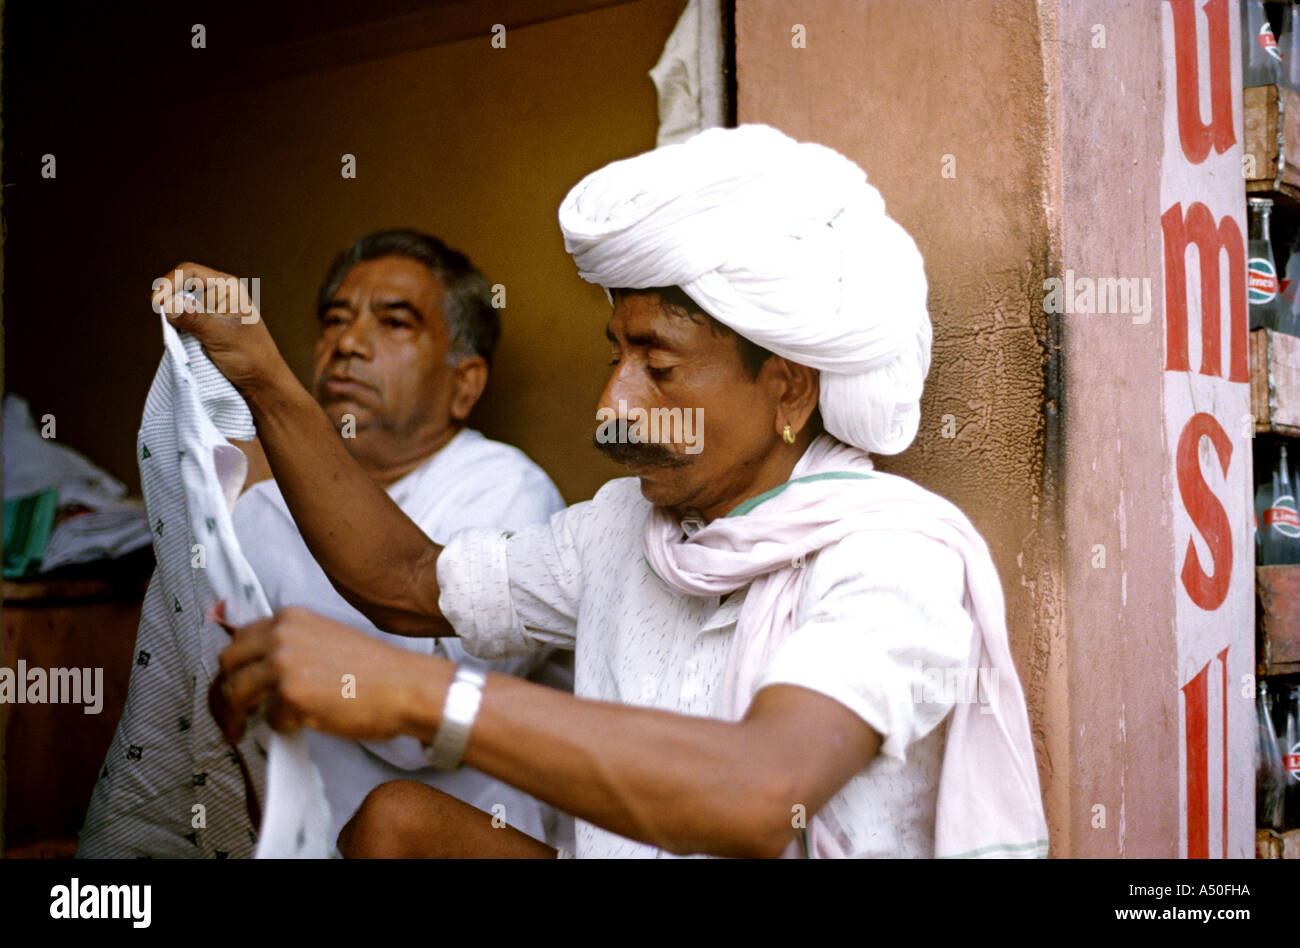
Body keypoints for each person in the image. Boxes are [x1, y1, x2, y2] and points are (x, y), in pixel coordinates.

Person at [166, 125, 1048, 859]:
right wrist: (268, 378)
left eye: (657, 365)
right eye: (614, 355)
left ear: (786, 388)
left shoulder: (893, 558)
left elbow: (760, 790)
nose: (614, 405)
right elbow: (404, 581)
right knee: (399, 825)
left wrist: (419, 694)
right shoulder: (627, 528)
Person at [230, 230, 569, 850]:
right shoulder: (260, 496)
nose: (348, 345)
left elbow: (421, 739)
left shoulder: (506, 491)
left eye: (394, 324)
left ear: (465, 384)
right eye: (335, 320)